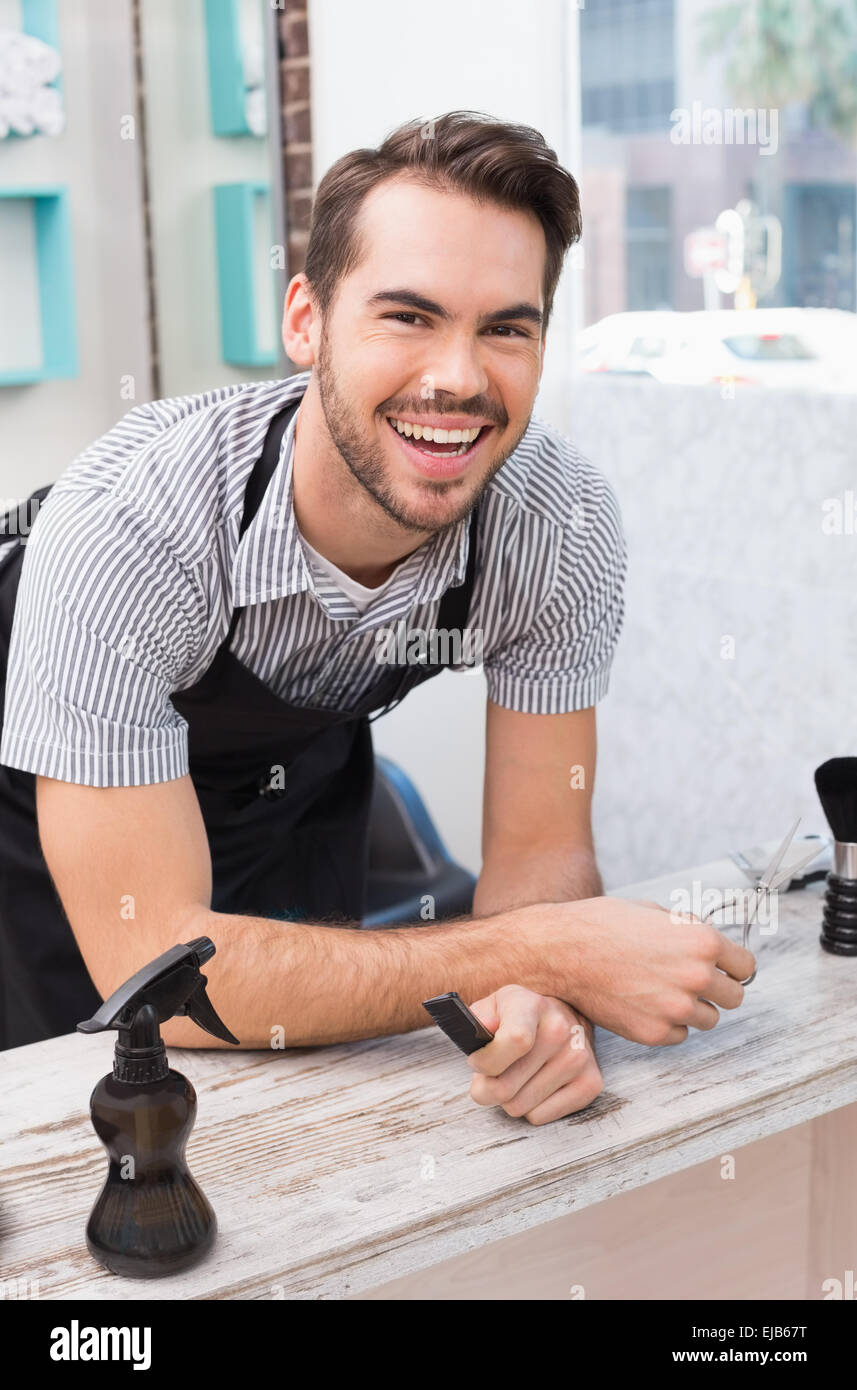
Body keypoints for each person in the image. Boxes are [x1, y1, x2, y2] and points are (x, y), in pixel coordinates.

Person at [0, 111, 753, 1124]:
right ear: (305, 320)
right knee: (87, 1120)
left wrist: (534, 1007)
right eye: (408, 316)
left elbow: (539, 859)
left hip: (291, 783)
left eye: (505, 328)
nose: (457, 378)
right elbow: (154, 962)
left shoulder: (555, 523)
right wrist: (543, 949)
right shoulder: (131, 528)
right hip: (40, 807)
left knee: (316, 1106)